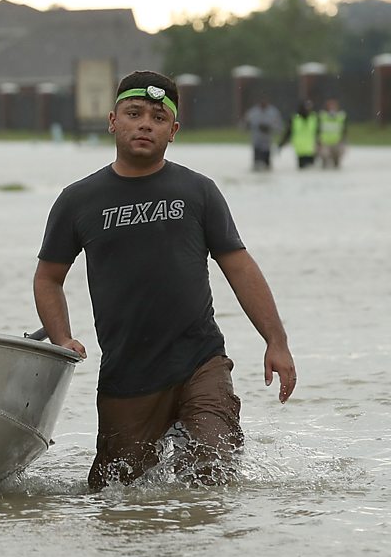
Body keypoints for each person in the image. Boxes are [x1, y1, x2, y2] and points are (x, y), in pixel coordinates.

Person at [33, 71, 297, 492]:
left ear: (172, 131)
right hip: (127, 376)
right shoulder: (78, 200)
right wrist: (62, 337)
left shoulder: (198, 191)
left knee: (213, 469)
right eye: (133, 113)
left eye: (158, 118)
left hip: (200, 361)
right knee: (114, 494)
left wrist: (276, 341)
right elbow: (49, 277)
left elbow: (240, 266)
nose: (144, 124)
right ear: (112, 121)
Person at [242, 97, 283, 171]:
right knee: (257, 165)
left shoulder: (273, 112)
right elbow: (244, 125)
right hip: (256, 143)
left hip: (267, 144)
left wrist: (269, 128)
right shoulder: (253, 112)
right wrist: (248, 126)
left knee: (266, 166)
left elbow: (279, 127)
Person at [279, 100, 319, 169]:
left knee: (311, 169)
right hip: (300, 149)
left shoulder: (314, 117)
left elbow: (319, 131)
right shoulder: (295, 118)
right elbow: (289, 132)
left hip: (311, 148)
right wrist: (282, 143)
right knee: (303, 169)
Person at [317, 98, 347, 169]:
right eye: (330, 107)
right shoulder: (322, 116)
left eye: (334, 107)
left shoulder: (341, 117)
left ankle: (336, 166)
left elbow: (344, 130)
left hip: (337, 142)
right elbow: (318, 130)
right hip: (325, 142)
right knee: (324, 155)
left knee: (337, 158)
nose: (332, 109)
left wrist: (344, 141)